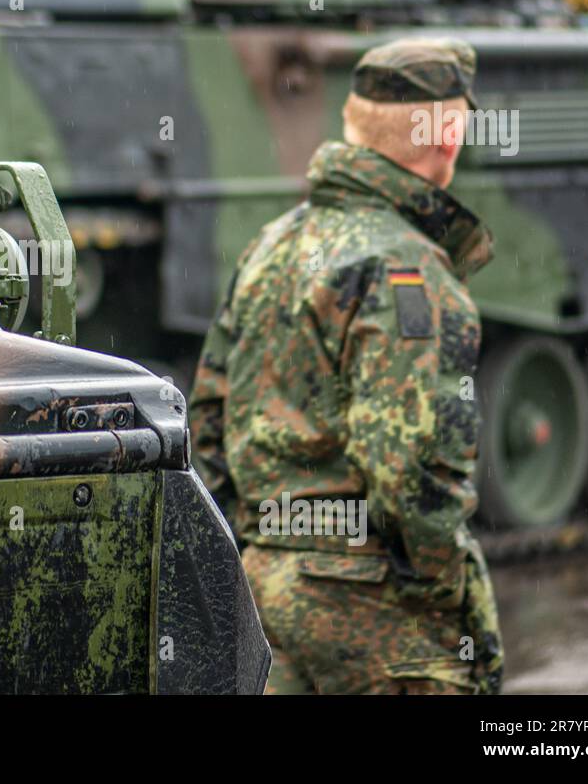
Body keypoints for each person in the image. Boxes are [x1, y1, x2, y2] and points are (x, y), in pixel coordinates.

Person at [189, 38, 504, 694]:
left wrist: (247, 559)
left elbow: (209, 422)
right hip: (374, 616)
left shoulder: (274, 244)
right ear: (446, 137)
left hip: (265, 589)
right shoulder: (410, 270)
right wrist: (447, 590)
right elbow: (406, 465)